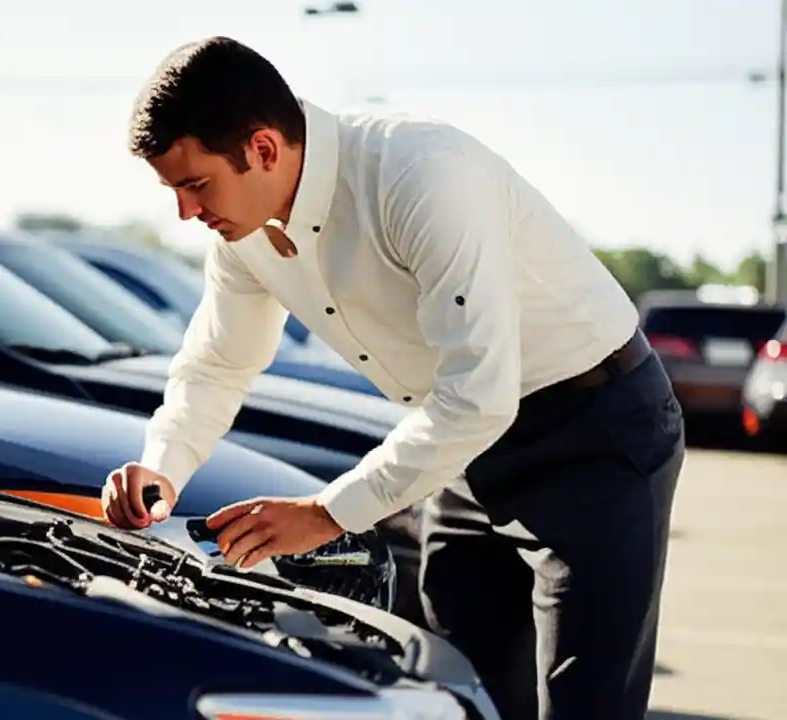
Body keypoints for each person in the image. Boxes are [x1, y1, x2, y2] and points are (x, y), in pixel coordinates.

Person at [100, 36, 684, 720]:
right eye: (173, 190)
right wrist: (163, 468)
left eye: (195, 185)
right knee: (463, 695)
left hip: (596, 431)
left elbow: (479, 393)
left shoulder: (421, 174)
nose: (186, 213)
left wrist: (326, 514)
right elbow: (219, 364)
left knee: (585, 706)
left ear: (263, 149)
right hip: (463, 445)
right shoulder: (243, 235)